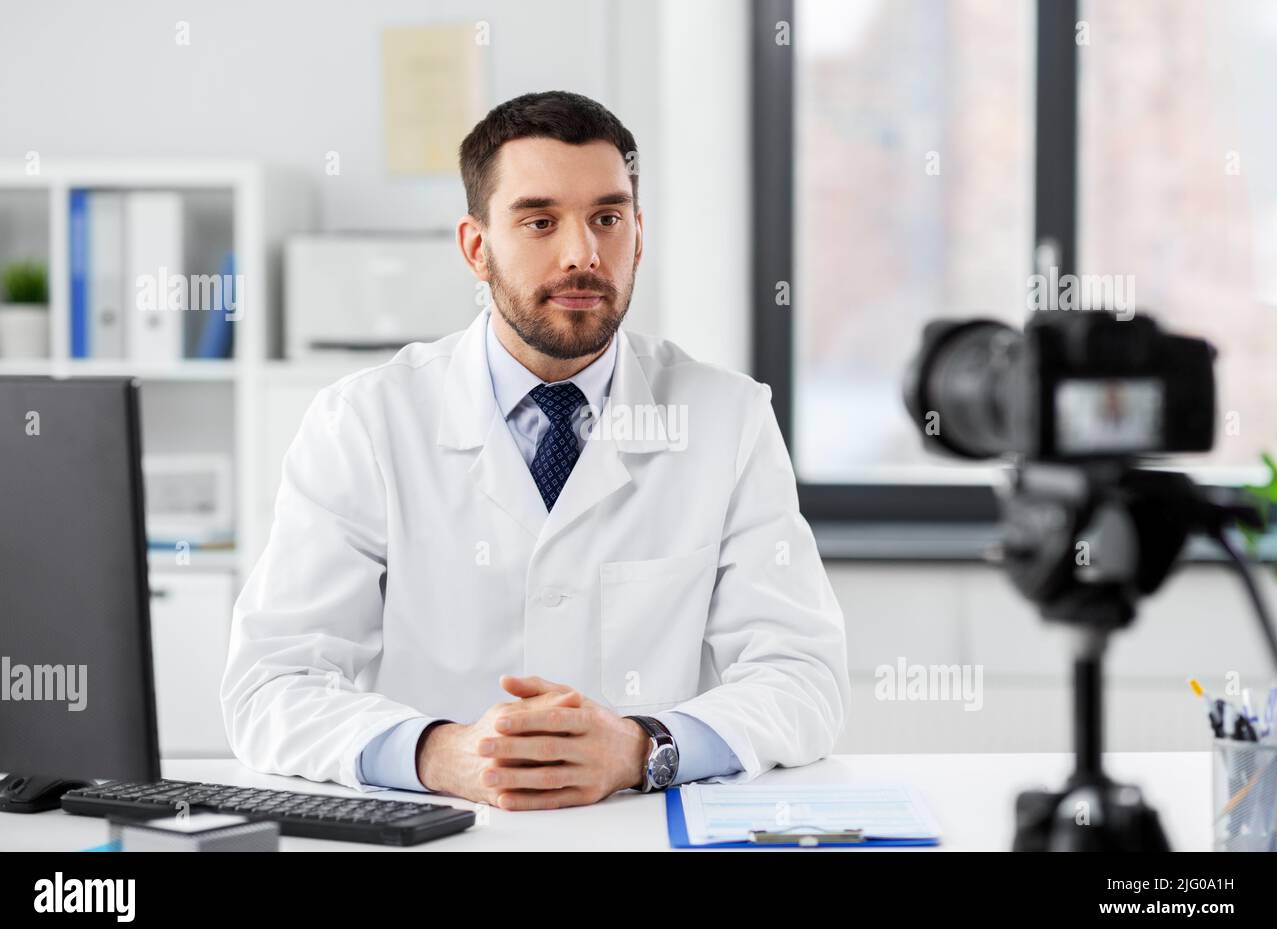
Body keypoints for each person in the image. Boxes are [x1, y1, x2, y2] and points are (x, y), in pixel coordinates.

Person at [221, 90, 849, 811]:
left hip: (638, 828)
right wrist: (440, 752)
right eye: (540, 221)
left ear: (638, 236)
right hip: (444, 827)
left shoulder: (728, 419)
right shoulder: (363, 422)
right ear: (476, 246)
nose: (582, 254)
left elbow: (803, 677)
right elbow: (272, 683)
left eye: (607, 219)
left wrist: (644, 748)